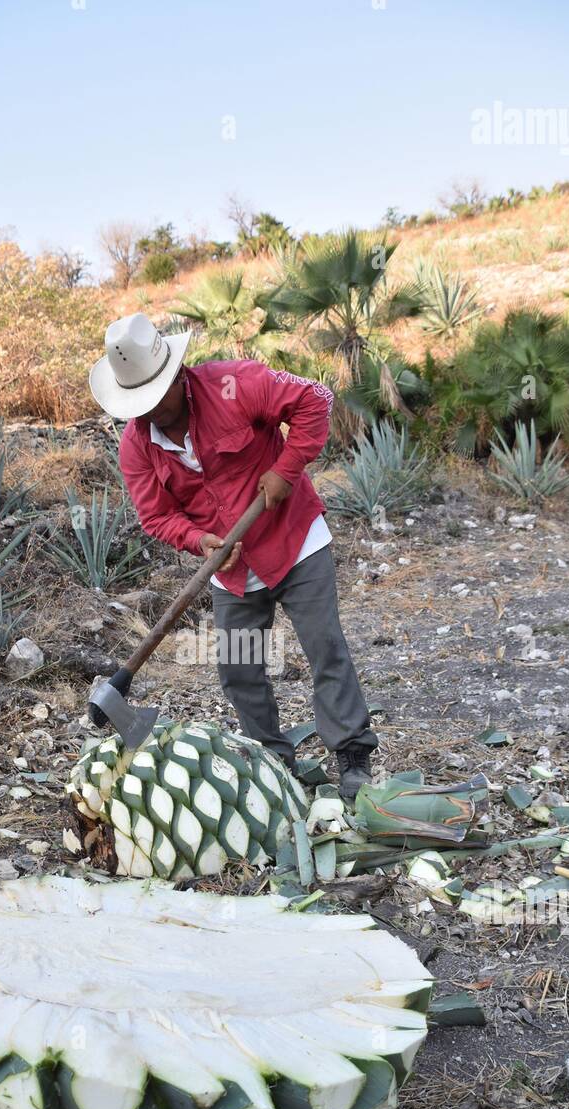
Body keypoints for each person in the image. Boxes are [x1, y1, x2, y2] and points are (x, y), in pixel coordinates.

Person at [89, 312, 378, 799]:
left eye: (158, 394)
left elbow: (316, 400)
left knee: (324, 647)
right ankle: (273, 765)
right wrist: (200, 541)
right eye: (140, 402)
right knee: (240, 670)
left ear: (178, 374)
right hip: (232, 570)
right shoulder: (136, 447)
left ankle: (352, 754)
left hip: (295, 541)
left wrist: (286, 470)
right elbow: (156, 517)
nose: (152, 410)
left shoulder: (235, 384)